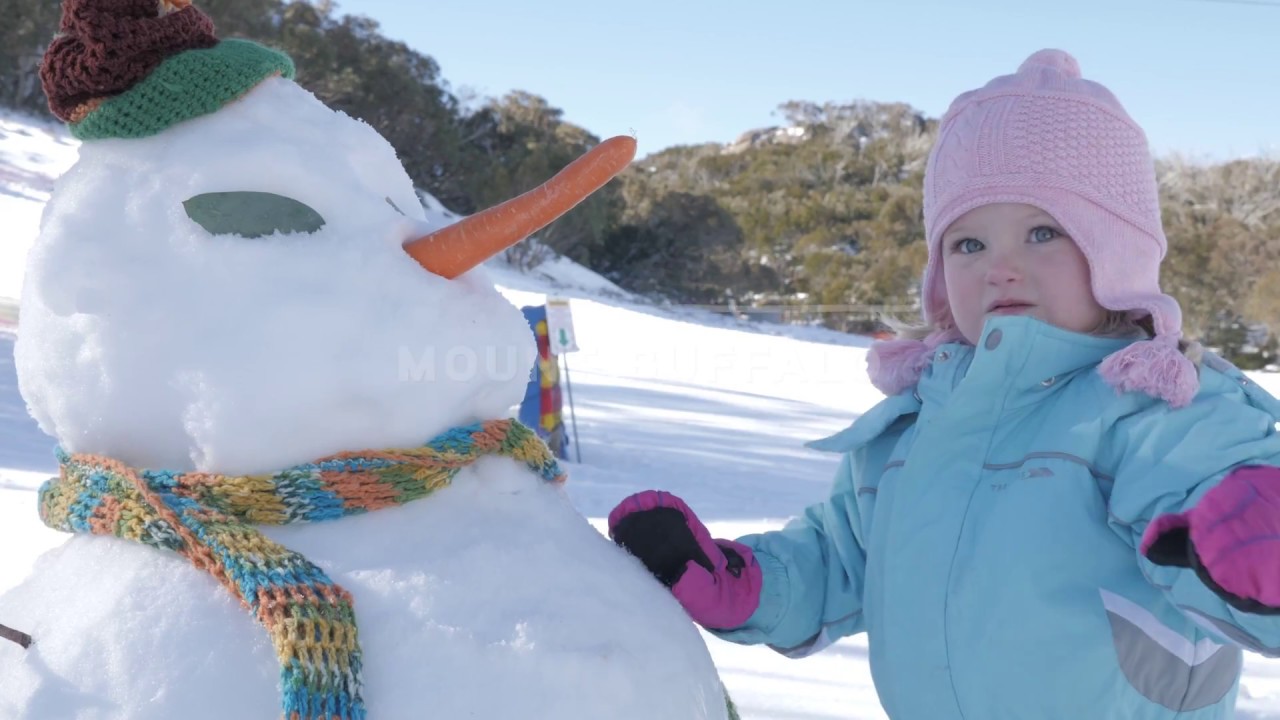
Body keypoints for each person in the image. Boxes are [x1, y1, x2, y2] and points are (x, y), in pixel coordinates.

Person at [608, 49, 1280, 719]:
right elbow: (841, 561)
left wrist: (1246, 538)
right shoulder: (918, 424)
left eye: (1043, 232)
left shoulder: (1156, 410)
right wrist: (746, 584)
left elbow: (1210, 506)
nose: (1000, 267)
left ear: (1119, 252)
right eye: (968, 244)